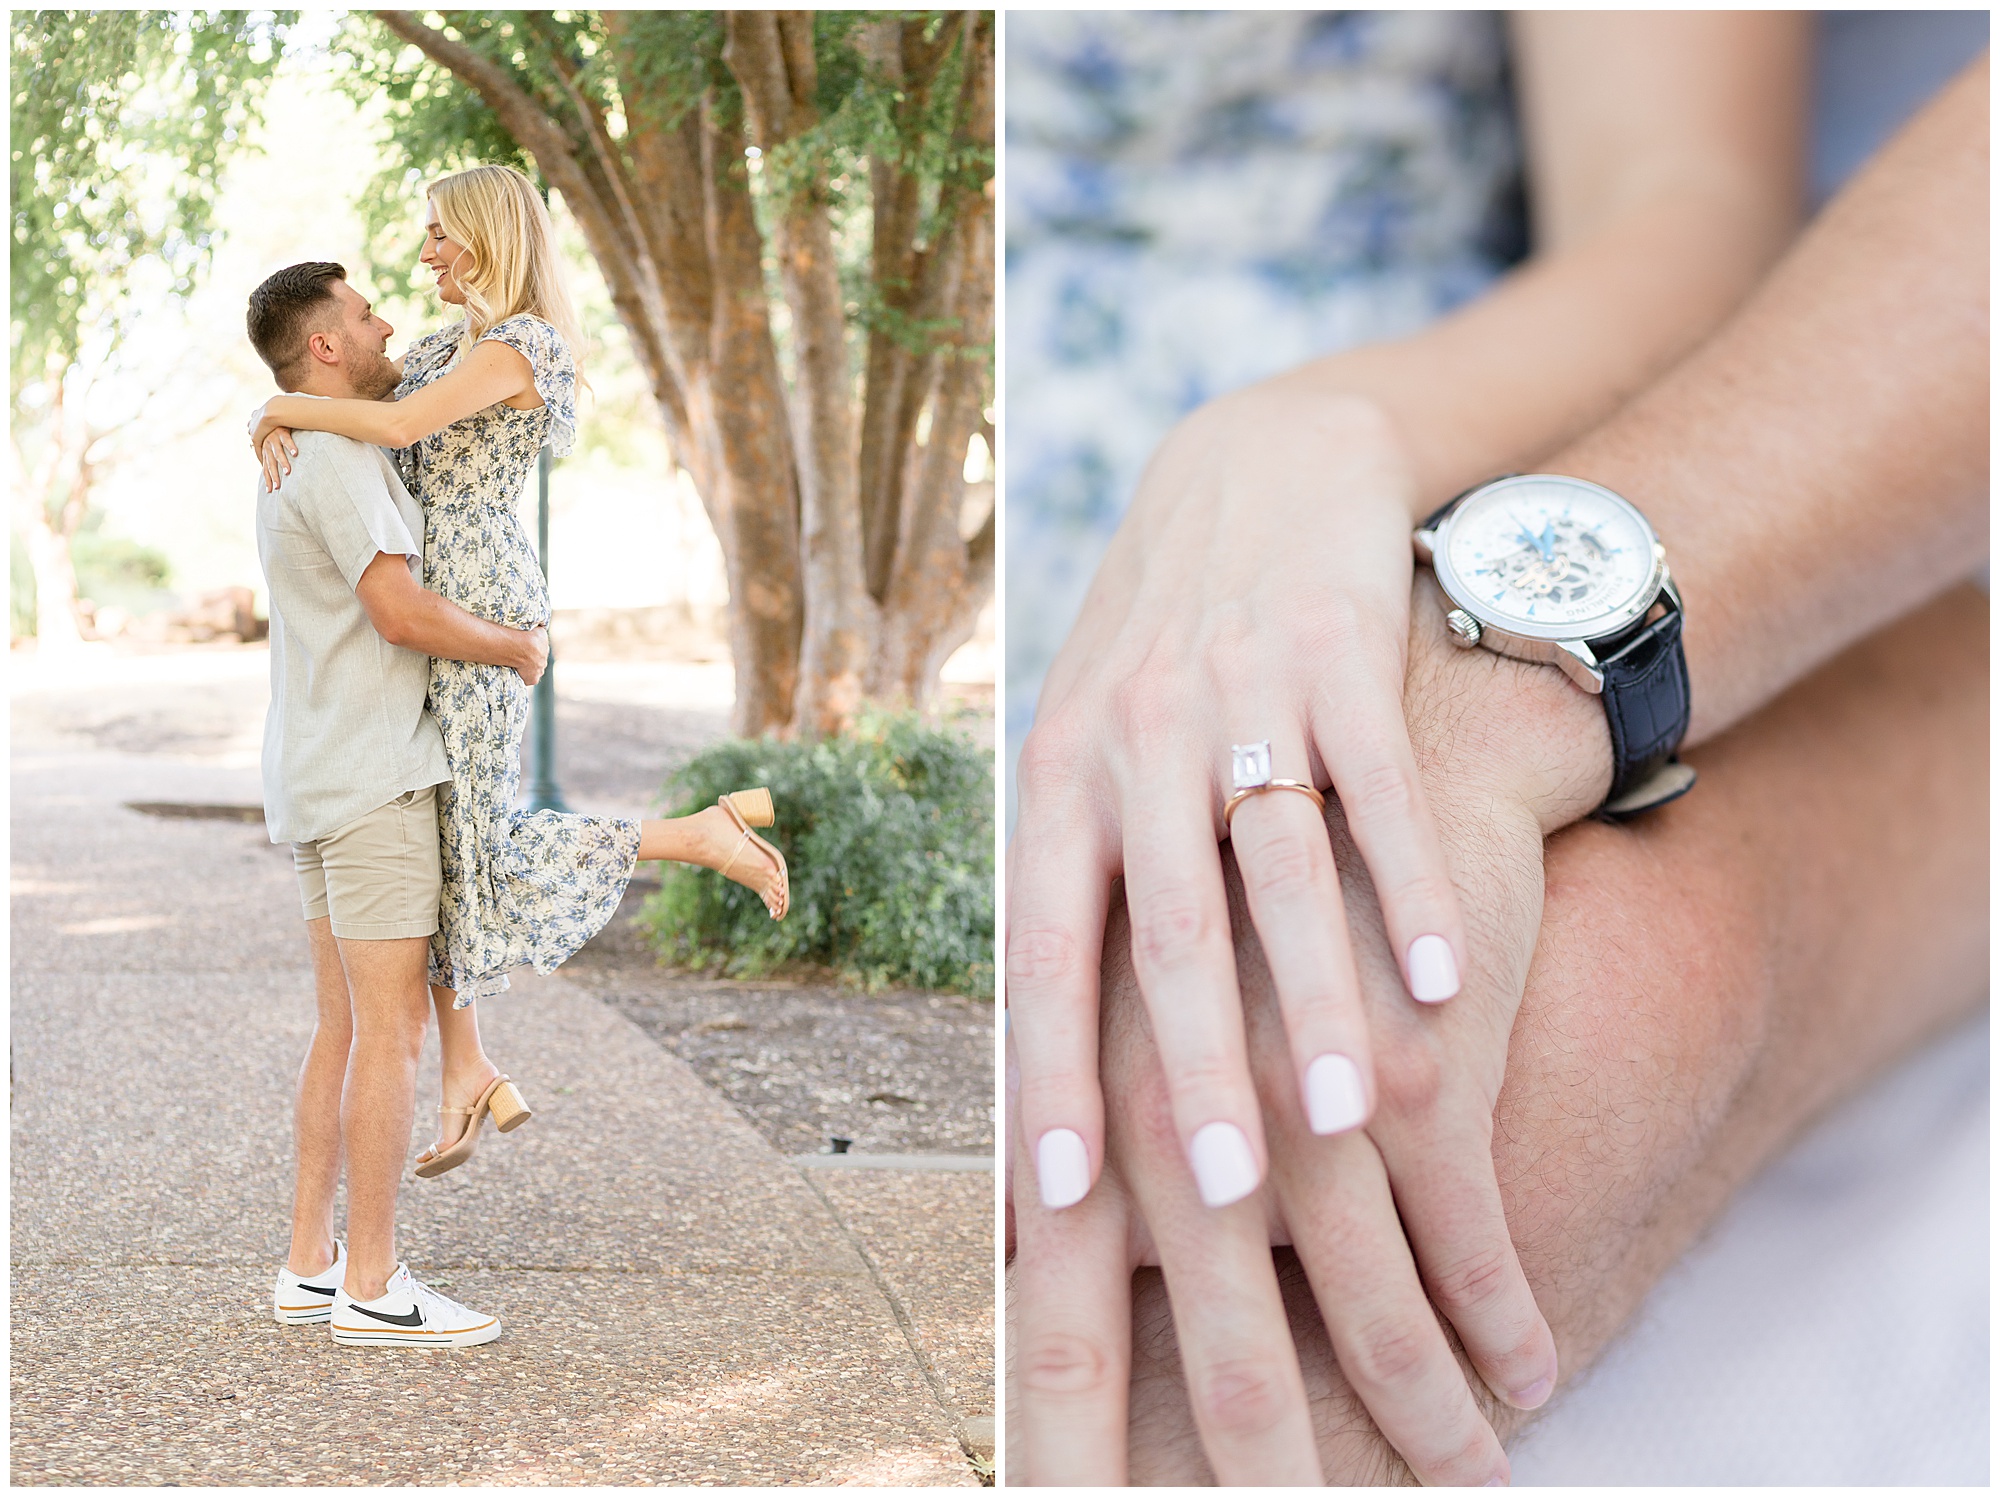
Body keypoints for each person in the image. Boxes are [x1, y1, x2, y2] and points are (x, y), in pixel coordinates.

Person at [1007, 25, 1987, 1483]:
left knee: (1386, 1135)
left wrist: (1323, 442)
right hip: (1045, 638)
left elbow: (1690, 207)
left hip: (1415, 513)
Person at [248, 166, 788, 1175]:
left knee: (482, 847)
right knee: (456, 842)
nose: (424, 255)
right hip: (438, 597)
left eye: (440, 234)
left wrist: (279, 413)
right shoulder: (451, 344)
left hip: (481, 602)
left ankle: (696, 836)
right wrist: (276, 412)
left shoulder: (518, 348)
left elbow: (397, 429)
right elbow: (358, 403)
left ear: (490, 237)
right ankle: (470, 1065)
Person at [248, 259, 550, 1345]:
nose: (387, 325)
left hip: (320, 772)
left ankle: (307, 1267)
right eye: (366, 315)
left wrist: (268, 409)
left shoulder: (301, 447)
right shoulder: (339, 457)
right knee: (390, 1040)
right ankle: (374, 1287)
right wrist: (515, 646)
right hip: (374, 780)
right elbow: (400, 611)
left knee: (341, 1031)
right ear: (324, 345)